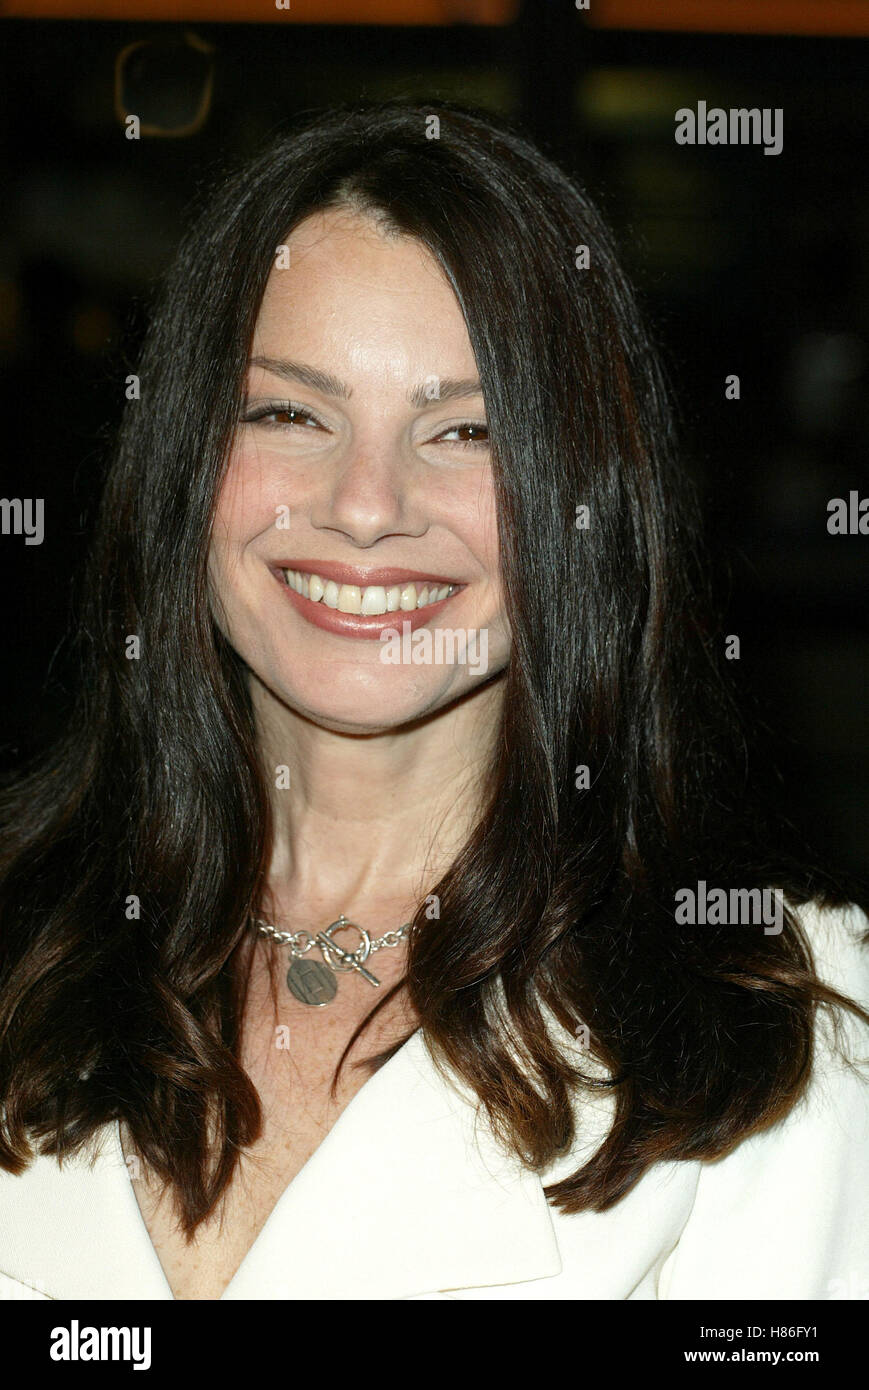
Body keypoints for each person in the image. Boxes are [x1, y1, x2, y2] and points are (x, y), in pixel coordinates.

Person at [0, 100, 866, 1302]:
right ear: (186, 460)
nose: (365, 505)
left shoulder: (783, 1039)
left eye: (464, 428)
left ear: (582, 495)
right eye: (290, 412)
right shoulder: (29, 943)